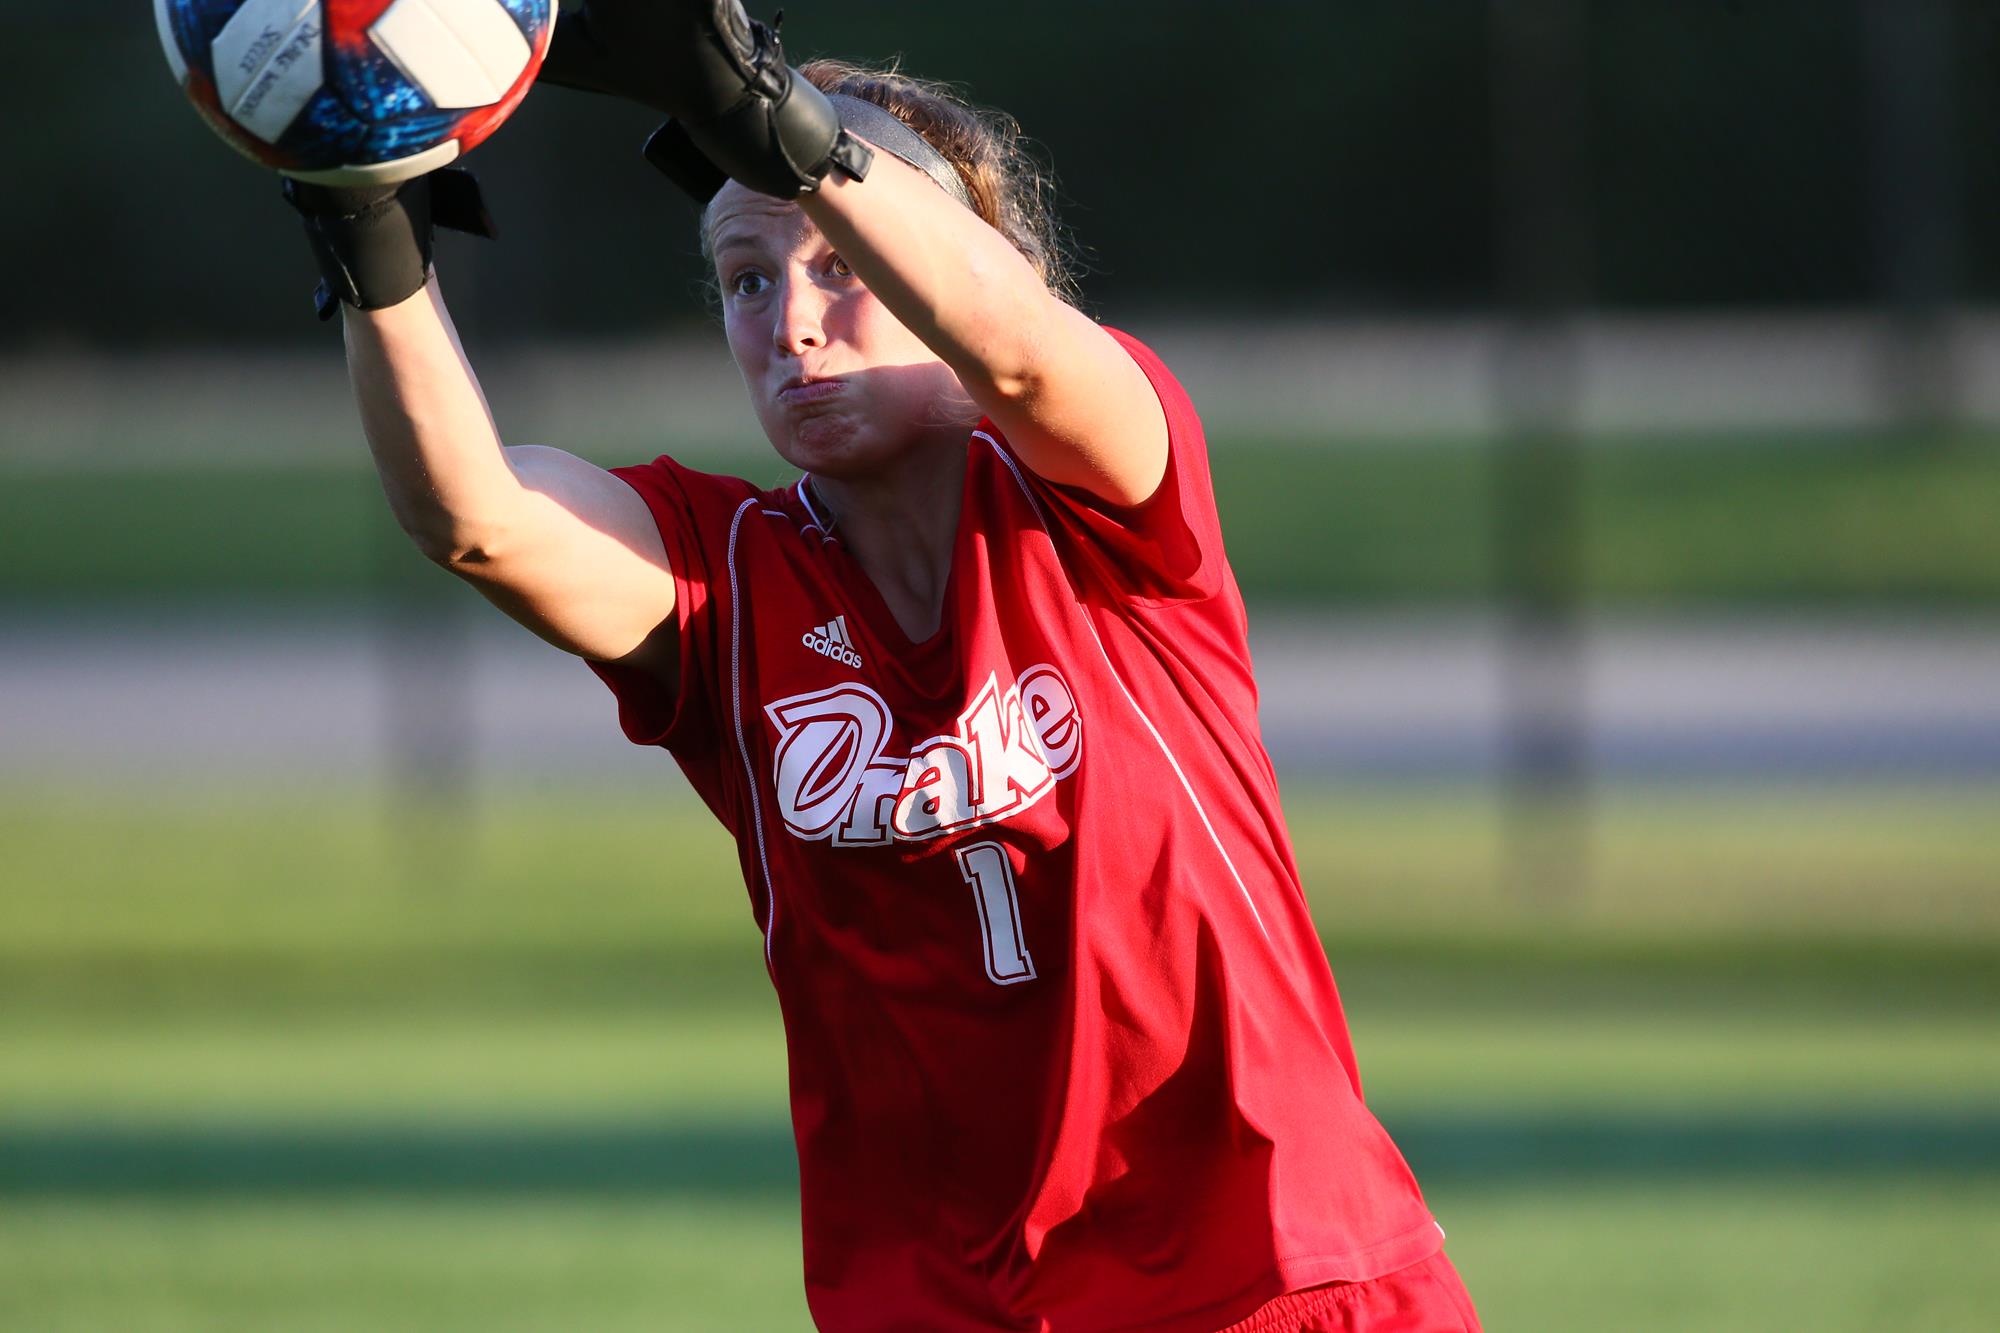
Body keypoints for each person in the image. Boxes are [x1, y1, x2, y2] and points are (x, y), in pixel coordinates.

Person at [280, 3, 1481, 1329]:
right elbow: (475, 516)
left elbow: (1018, 351)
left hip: (1268, 1277)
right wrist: (366, 227)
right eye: (746, 279)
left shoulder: (1107, 501)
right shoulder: (728, 578)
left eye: (839, 265)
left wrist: (768, 118)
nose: (789, 320)